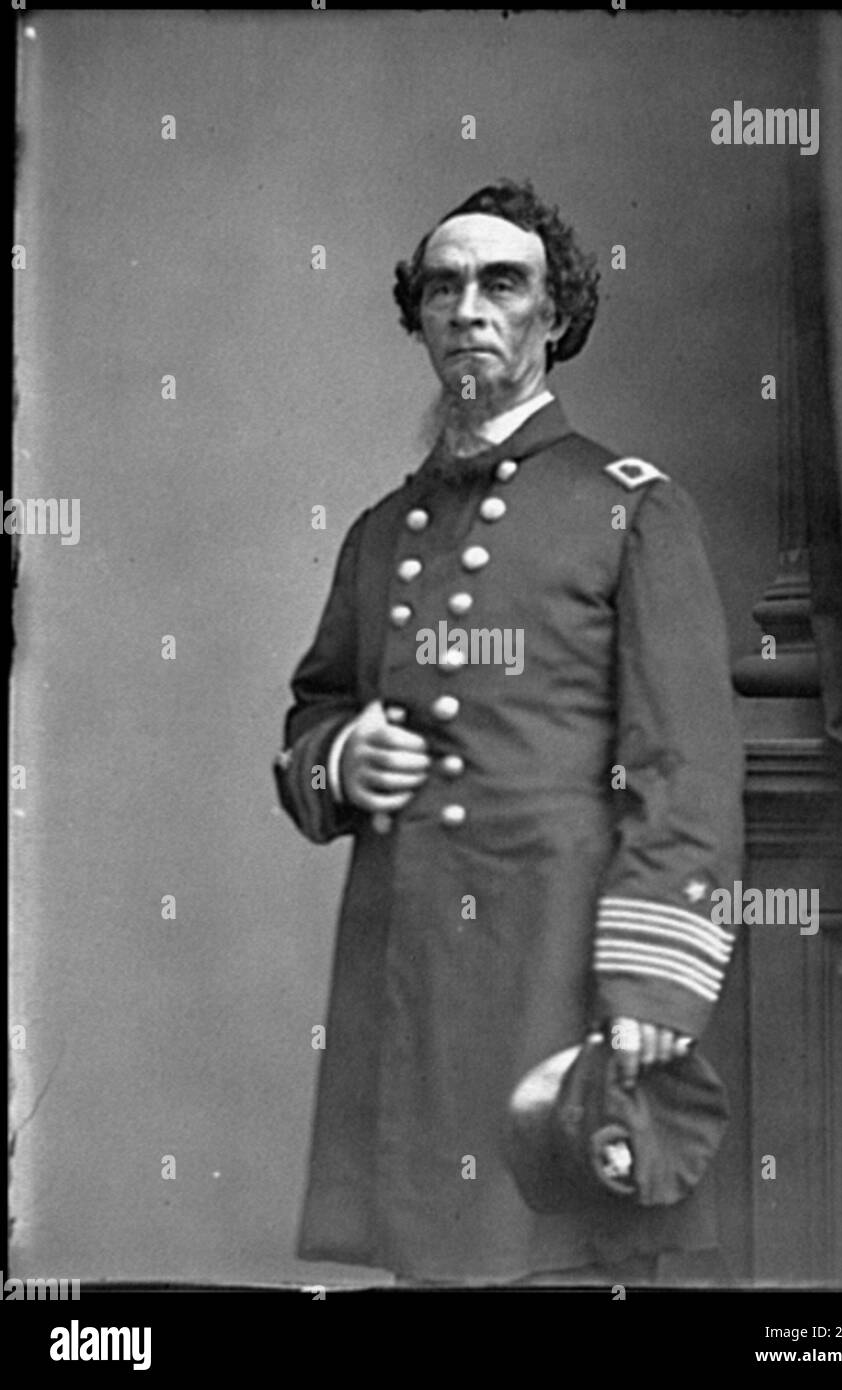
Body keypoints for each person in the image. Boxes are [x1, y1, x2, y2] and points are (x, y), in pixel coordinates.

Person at [274, 179, 744, 1286]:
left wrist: (653, 992)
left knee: (557, 1264)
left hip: (558, 960)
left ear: (555, 315)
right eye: (443, 287)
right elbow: (315, 708)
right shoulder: (382, 530)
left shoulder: (629, 507)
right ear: (420, 318)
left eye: (502, 282)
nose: (468, 308)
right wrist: (341, 755)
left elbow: (687, 769)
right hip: (408, 965)